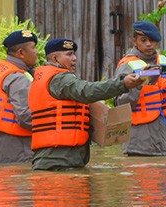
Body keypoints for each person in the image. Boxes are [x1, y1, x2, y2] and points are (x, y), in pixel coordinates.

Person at [28, 38, 144, 170]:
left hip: (56, 158)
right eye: (69, 54)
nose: (74, 58)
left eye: (74, 54)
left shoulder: (44, 78)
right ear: (55, 59)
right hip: (59, 160)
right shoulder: (60, 79)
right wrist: (122, 84)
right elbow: (88, 91)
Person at [114, 21, 166, 156]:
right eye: (143, 40)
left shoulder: (164, 61)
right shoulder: (126, 65)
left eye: (152, 40)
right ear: (135, 41)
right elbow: (120, 104)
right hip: (140, 143)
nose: (149, 44)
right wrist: (138, 83)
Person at [0, 30, 38, 164]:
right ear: (21, 53)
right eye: (34, 48)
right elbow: (26, 117)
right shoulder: (17, 78)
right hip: (16, 147)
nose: (37, 52)